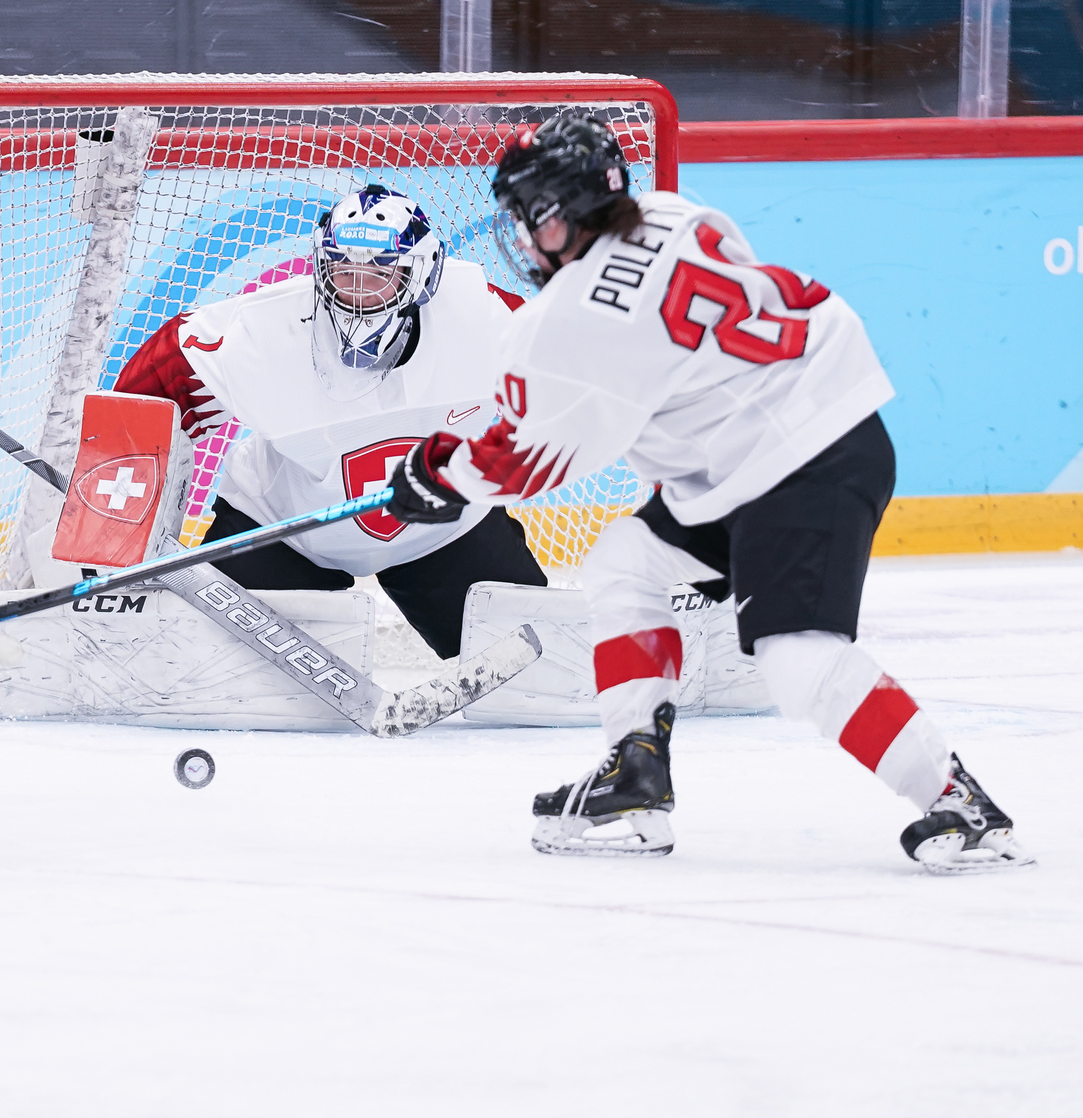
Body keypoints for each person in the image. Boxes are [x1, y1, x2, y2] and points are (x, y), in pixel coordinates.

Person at [386, 111, 1034, 873]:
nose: (522, 237)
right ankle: (636, 772)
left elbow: (530, 462)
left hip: (798, 459)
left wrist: (436, 477)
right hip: (772, 440)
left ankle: (961, 802)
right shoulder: (675, 212)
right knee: (626, 559)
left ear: (561, 215)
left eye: (528, 217)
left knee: (798, 659)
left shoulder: (566, 320)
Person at [112, 183, 551, 664]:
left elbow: (573, 392)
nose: (358, 285)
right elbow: (143, 402)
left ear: (421, 275)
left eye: (382, 269)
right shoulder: (263, 332)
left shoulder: (484, 318)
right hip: (285, 534)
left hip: (444, 532)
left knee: (536, 672)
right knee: (208, 669)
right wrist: (114, 538)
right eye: (343, 267)